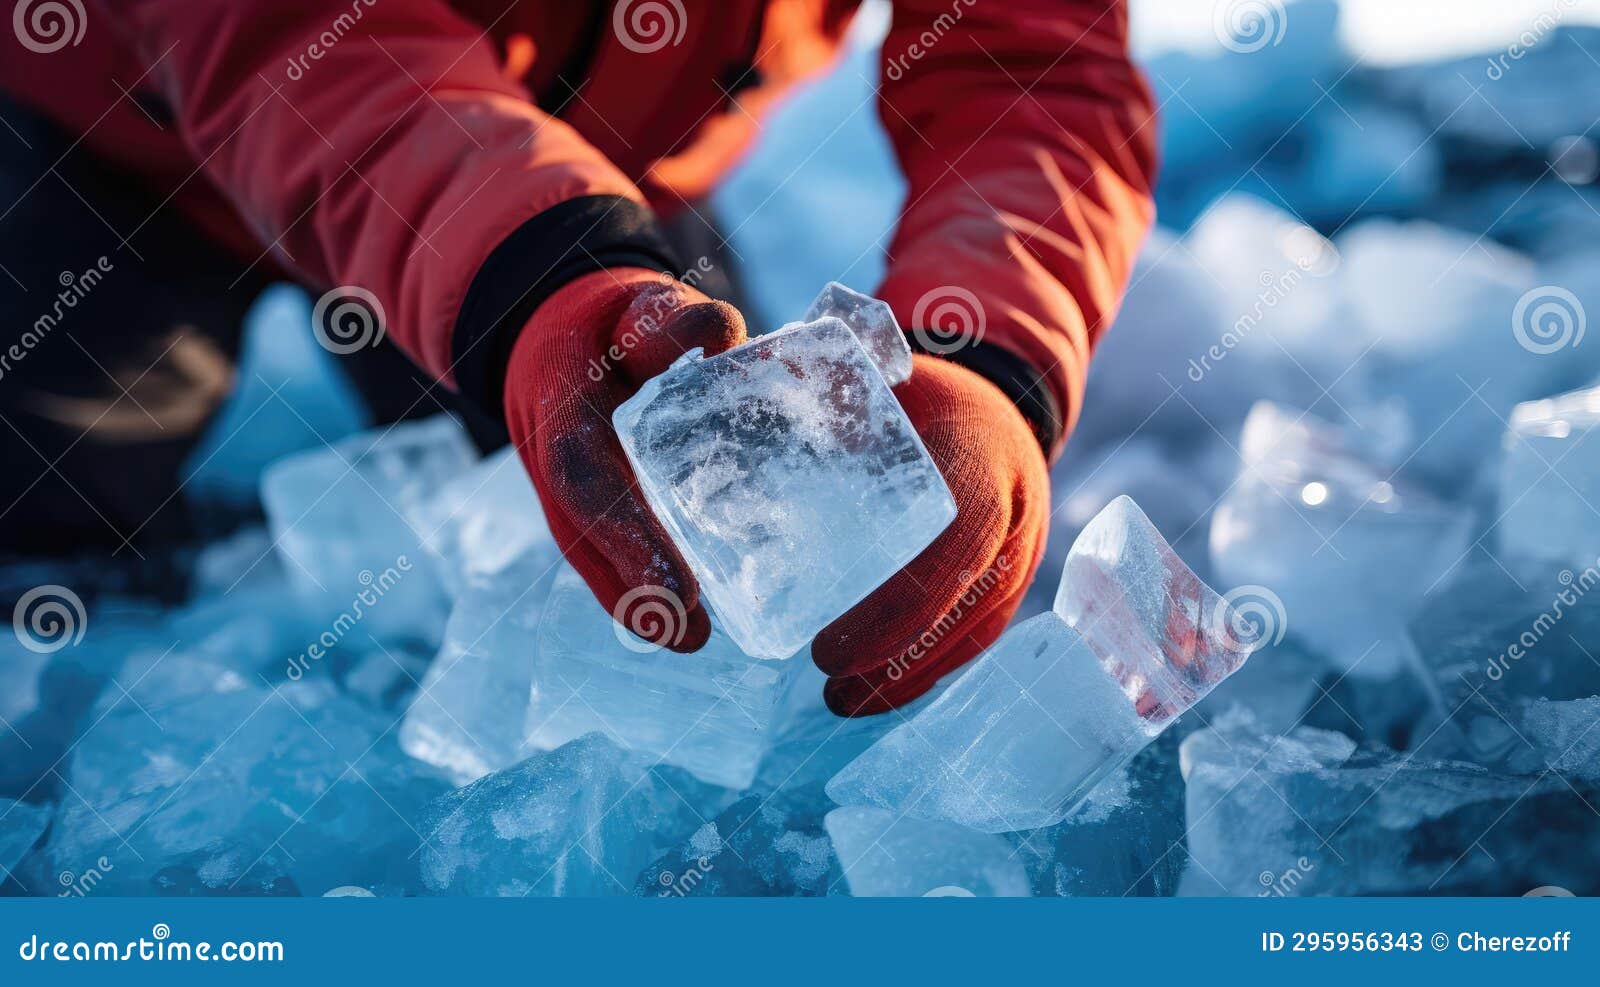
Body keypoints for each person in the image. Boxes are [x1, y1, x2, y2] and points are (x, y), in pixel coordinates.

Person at [0, 0, 1156, 715]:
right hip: (123, 147)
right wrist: (533, 277)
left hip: (590, 194)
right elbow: (286, 30)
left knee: (669, 556)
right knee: (42, 551)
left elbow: (1036, 74)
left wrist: (989, 359)